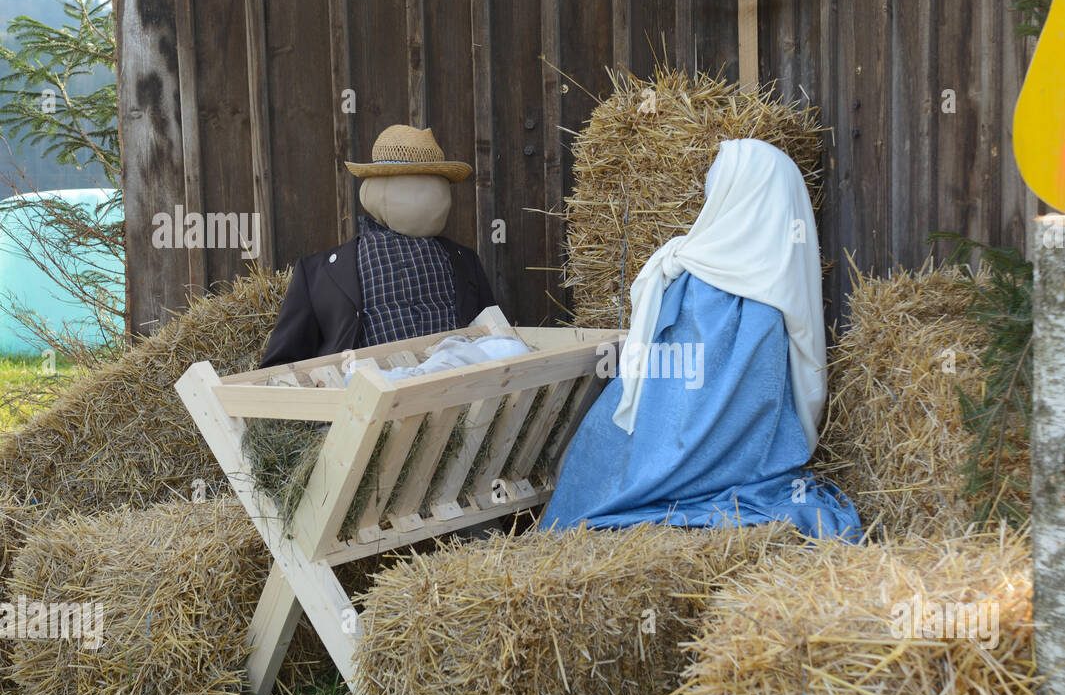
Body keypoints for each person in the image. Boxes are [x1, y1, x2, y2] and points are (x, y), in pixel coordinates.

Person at [541, 138, 861, 540]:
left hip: (664, 451)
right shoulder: (777, 281)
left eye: (718, 178)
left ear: (738, 192)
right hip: (746, 457)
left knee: (589, 466)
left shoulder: (702, 278)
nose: (709, 186)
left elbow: (678, 392)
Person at [260, 124, 496, 368]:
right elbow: (280, 367)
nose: (430, 198)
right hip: (366, 400)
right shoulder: (318, 274)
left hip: (457, 399)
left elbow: (496, 339)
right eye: (413, 186)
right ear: (374, 191)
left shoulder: (464, 261)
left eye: (434, 186)